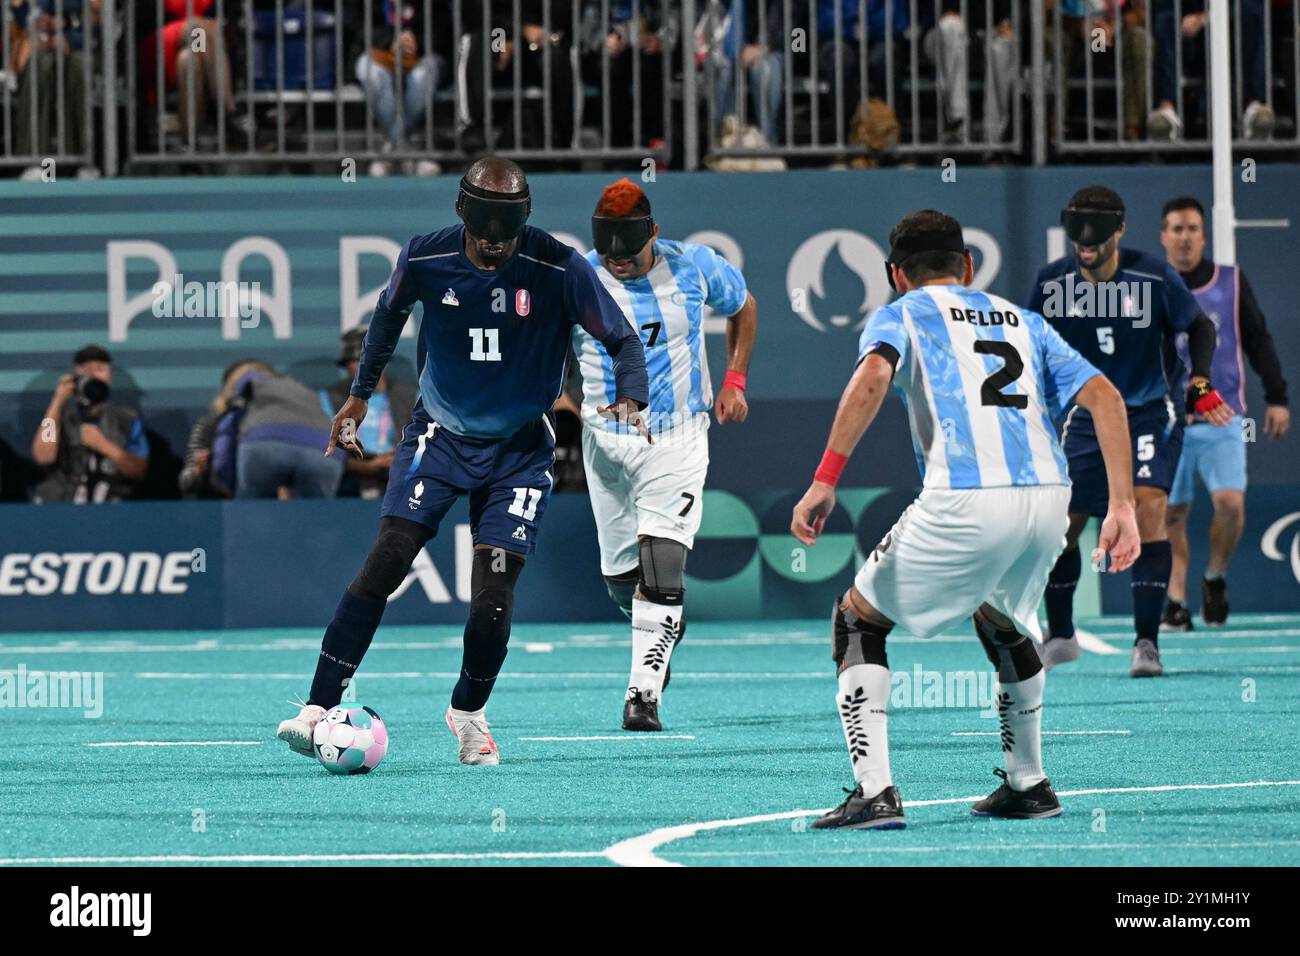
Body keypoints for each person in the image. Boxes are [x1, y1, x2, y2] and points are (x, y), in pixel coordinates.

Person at [275, 158, 649, 766]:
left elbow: (622, 338)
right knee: (386, 561)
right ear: (461, 214)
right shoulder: (424, 257)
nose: (496, 248)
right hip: (438, 440)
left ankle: (469, 713)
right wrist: (359, 396)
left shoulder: (558, 265)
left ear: (525, 218)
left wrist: (631, 393)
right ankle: (316, 707)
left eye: (508, 234)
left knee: (493, 598)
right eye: (484, 235)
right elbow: (387, 318)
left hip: (521, 453)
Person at [791, 209, 1140, 829]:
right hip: (1048, 500)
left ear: (897, 274)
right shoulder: (1025, 321)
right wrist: (1122, 507)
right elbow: (1106, 398)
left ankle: (874, 792)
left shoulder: (900, 314)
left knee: (856, 620)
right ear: (969, 267)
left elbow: (873, 376)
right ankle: (1027, 783)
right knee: (1003, 620)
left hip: (968, 497)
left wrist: (824, 481)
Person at [574, 178, 757, 731]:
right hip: (604, 440)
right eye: (609, 253)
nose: (618, 263)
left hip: (677, 436)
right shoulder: (577, 275)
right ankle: (661, 626)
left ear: (653, 233)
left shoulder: (696, 265)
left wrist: (735, 379)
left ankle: (643, 694)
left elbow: (745, 306)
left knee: (662, 560)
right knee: (619, 579)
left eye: (628, 254)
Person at [1028, 185, 1232, 678]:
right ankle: (1061, 635)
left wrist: (1200, 379)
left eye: (1098, 231)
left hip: (1148, 409)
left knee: (1147, 506)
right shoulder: (1052, 282)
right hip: (1085, 418)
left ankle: (1146, 641)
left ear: (1119, 230)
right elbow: (1027, 342)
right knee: (1063, 522)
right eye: (1078, 231)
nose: (1087, 242)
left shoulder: (1154, 275)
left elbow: (1201, 327)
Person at [1158, 196, 1290, 628]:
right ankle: (1175, 601)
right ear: (1164, 236)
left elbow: (1258, 339)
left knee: (1230, 505)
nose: (1185, 237)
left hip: (1222, 416)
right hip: (1166, 419)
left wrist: (1277, 397)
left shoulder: (1229, 283)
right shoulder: (1151, 287)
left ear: (1203, 235)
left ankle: (1214, 578)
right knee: (1170, 513)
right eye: (1176, 228)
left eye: (1192, 228)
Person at [30, 345, 149, 504]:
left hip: (110, 506)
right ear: (74, 375)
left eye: (100, 369)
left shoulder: (127, 418)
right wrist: (57, 401)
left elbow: (138, 470)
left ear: (109, 375)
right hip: (62, 504)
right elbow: (44, 456)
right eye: (85, 369)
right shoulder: (56, 417)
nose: (93, 375)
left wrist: (102, 445)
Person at [217, 362, 343, 499]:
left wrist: (228, 484)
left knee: (250, 513)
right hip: (324, 451)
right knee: (317, 517)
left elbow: (227, 433)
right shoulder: (300, 387)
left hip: (266, 443)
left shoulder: (247, 380)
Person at [322, 326, 417, 499]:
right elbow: (324, 447)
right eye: (353, 360)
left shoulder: (410, 396)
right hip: (351, 475)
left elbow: (425, 440)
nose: (360, 365)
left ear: (384, 359)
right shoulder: (330, 398)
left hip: (401, 470)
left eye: (364, 358)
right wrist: (365, 467)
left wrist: (399, 457)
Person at [355, 0, 448, 176]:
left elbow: (445, 31)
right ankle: (408, 150)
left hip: (425, 55)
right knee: (369, 72)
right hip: (381, 53)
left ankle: (389, 151)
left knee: (421, 76)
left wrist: (416, 42)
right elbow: (358, 30)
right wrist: (391, 41)